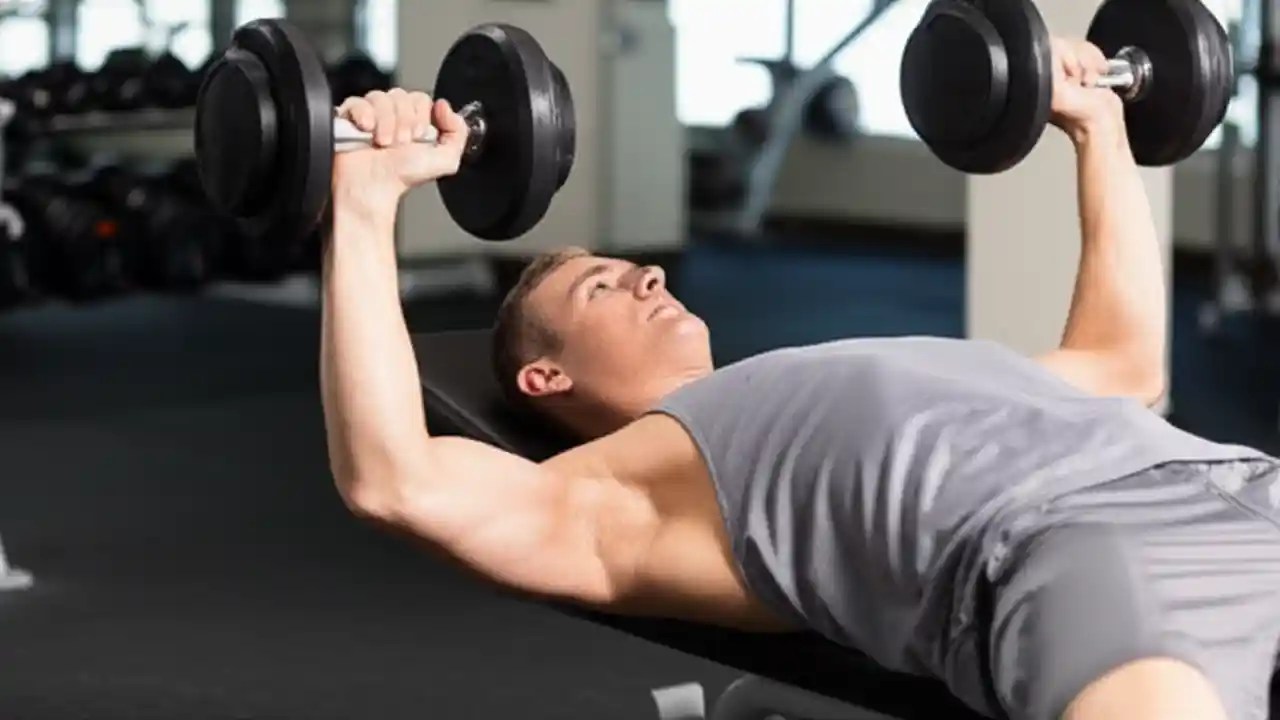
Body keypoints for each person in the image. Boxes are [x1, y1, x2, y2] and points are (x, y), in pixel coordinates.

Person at [319, 37, 1280, 720]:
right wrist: (364, 205)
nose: (648, 274)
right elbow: (394, 481)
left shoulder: (849, 364)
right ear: (542, 376)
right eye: (603, 287)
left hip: (1246, 487)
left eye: (636, 266)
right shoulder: (621, 494)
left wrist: (1098, 129)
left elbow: (1122, 363)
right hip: (1074, 551)